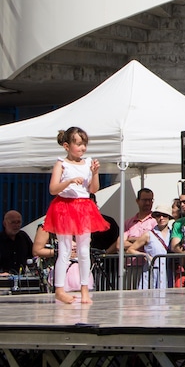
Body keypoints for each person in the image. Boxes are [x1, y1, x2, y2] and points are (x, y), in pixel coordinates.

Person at [42, 127, 110, 304]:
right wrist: (69, 181)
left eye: (84, 144)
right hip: (64, 206)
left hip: (83, 207)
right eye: (78, 144)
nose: (82, 148)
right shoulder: (61, 164)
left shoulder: (87, 163)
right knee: (64, 249)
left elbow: (93, 189)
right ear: (67, 146)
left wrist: (95, 173)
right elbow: (53, 189)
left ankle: (84, 288)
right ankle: (59, 289)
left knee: (83, 250)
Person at [128, 204, 174, 289]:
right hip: (152, 271)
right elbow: (130, 250)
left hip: (168, 273)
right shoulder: (148, 235)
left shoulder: (172, 234)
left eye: (164, 215)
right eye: (158, 215)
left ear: (169, 217)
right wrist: (144, 255)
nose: (161, 218)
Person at [0, 210, 33, 276]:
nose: (16, 225)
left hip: (21, 279)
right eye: (13, 222)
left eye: (18, 222)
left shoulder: (23, 237)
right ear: (4, 223)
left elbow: (33, 256)